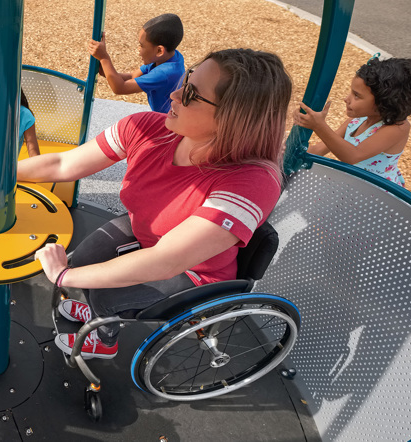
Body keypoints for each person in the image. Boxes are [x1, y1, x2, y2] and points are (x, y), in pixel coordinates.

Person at [27, 48, 292, 359]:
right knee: (84, 261)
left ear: (235, 118)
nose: (175, 94)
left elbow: (166, 261)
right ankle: (98, 313)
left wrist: (62, 277)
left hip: (194, 272)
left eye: (191, 93)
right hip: (149, 233)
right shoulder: (148, 129)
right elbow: (61, 165)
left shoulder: (251, 182)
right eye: (186, 79)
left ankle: (105, 338)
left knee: (104, 293)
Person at [294, 57, 411, 187]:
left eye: (356, 95)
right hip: (353, 185)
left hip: (377, 196)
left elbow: (353, 155)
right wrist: (291, 152)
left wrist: (319, 126)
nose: (346, 99)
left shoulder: (397, 128)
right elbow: (320, 148)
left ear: (384, 101)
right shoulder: (357, 120)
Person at [87, 13, 185, 113]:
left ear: (159, 51)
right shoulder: (171, 56)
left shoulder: (165, 73)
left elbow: (120, 88)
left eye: (141, 46)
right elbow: (132, 76)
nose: (139, 49)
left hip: (168, 123)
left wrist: (104, 58)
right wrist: (105, 70)